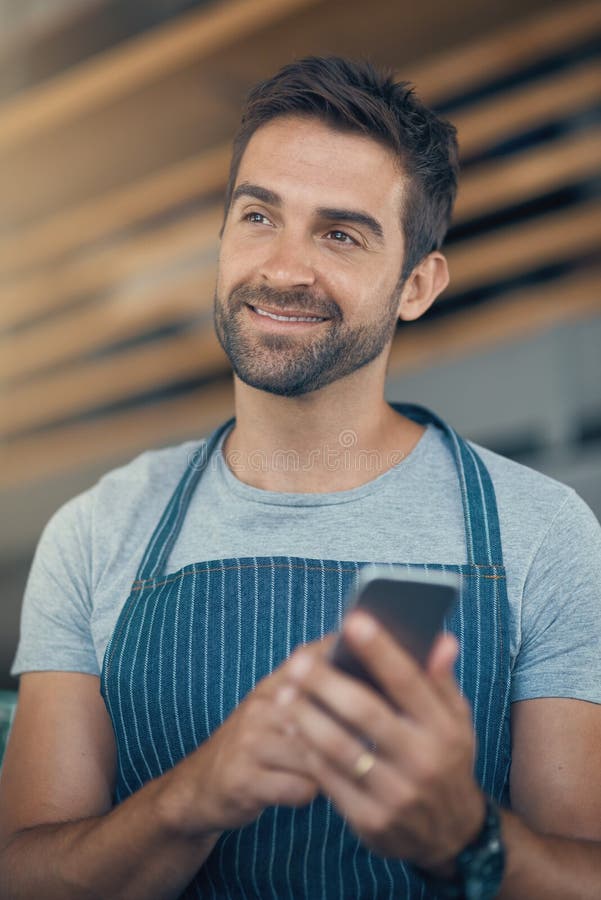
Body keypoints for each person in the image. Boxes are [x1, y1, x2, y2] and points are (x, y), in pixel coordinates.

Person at [1, 56, 600, 900]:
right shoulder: (98, 530)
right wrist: (195, 798)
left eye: (340, 234)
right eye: (258, 216)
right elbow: (21, 875)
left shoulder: (541, 531)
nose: (283, 268)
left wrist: (466, 838)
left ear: (417, 285)